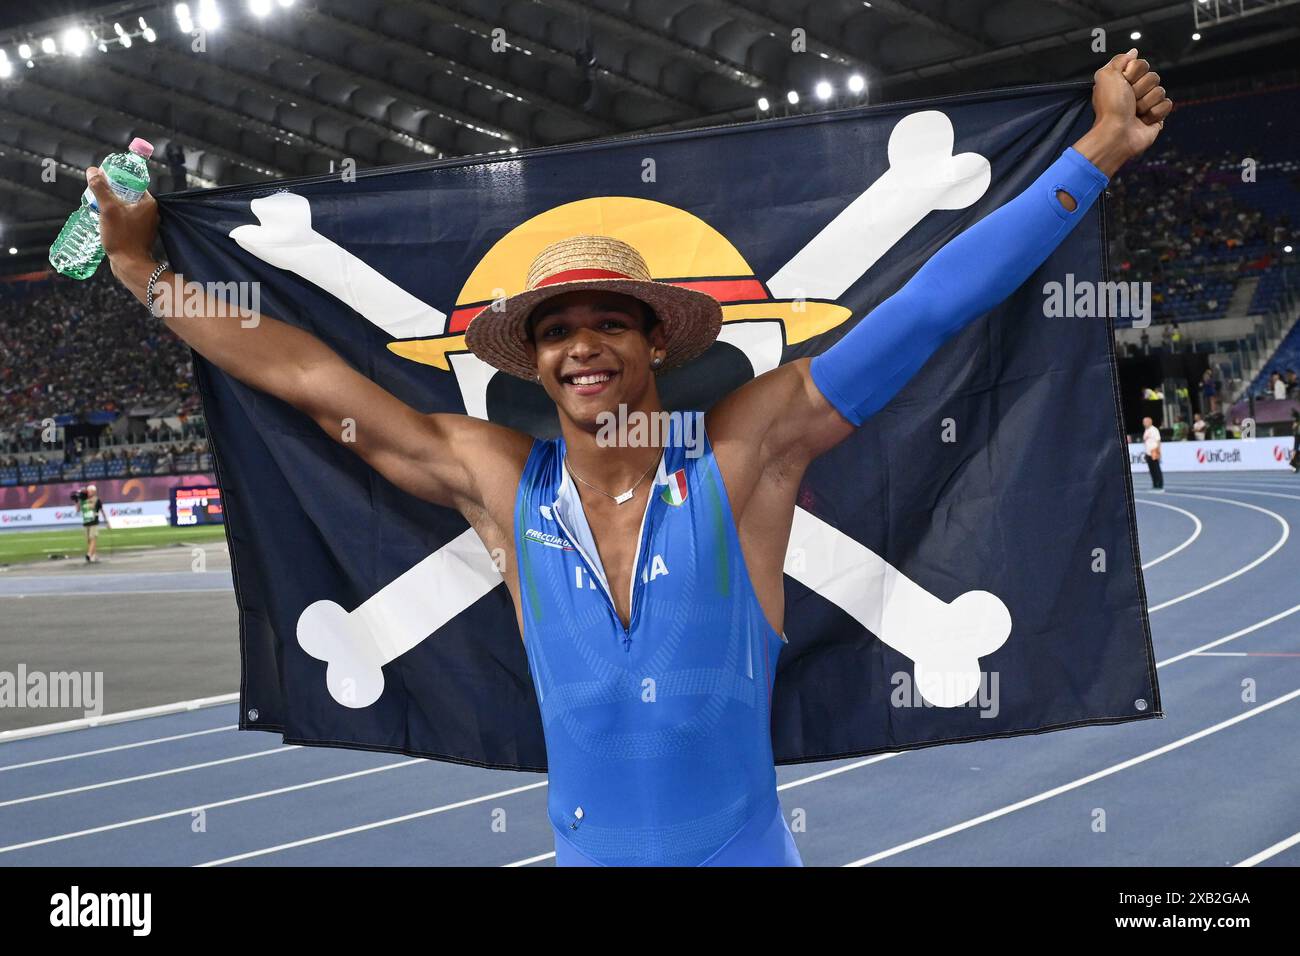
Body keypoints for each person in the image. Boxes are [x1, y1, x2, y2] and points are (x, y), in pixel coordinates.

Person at [86, 53, 1170, 867]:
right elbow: (305, 379)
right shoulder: (500, 482)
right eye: (557, 331)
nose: (583, 347)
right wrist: (139, 269)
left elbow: (929, 308)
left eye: (610, 323)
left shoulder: (742, 456)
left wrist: (1098, 154)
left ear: (657, 341)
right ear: (534, 361)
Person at [72, 483, 105, 562]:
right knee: (89, 540)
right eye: (88, 491)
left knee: (93, 538)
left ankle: (89, 554)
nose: (88, 492)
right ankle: (93, 555)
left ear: (94, 492)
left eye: (90, 491)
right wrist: (76, 501)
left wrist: (107, 521)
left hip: (94, 521)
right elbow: (77, 510)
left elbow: (95, 507)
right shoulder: (83, 500)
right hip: (86, 521)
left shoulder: (96, 499)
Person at [1141, 416, 1163, 490]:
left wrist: (1158, 451)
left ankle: (1160, 484)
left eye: (1145, 422)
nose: (1143, 423)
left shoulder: (1154, 430)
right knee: (1151, 470)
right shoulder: (1146, 430)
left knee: (1156, 468)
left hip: (1154, 451)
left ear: (1149, 422)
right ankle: (1154, 484)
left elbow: (1158, 441)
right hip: (1148, 452)